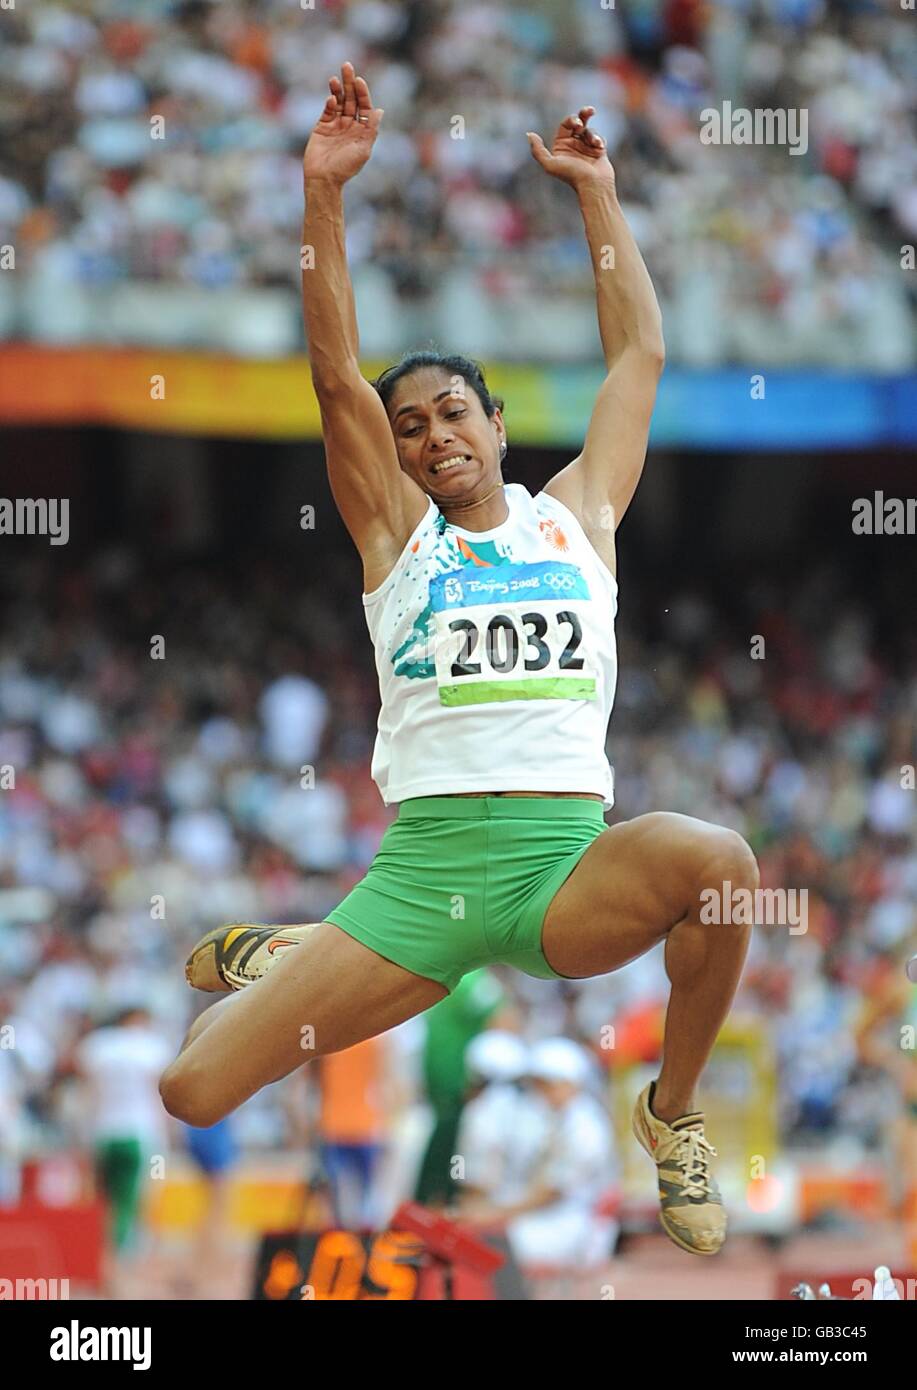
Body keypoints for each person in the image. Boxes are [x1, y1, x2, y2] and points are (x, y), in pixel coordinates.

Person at [161, 61, 760, 1257]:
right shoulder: (395, 541)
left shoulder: (574, 516)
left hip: (558, 871)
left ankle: (673, 1113)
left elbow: (636, 355)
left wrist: (595, 191)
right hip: (417, 884)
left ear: (495, 424)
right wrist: (321, 194)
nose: (432, 436)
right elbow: (335, 374)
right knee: (190, 1091)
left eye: (450, 413)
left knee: (723, 865)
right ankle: (303, 953)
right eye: (411, 427)